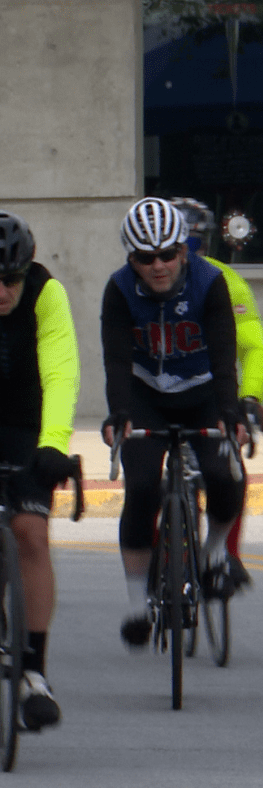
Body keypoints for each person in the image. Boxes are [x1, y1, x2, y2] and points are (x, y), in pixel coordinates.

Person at [101, 197, 249, 648]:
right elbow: (117, 360)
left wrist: (230, 412)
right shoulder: (120, 289)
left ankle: (215, 550)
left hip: (203, 392)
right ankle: (135, 604)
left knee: (226, 474)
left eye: (169, 254)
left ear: (185, 250)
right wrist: (119, 415)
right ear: (132, 259)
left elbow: (225, 354)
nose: (159, 266)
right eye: (146, 258)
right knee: (142, 487)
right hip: (146, 396)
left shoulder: (211, 283)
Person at [0, 211, 79, 730]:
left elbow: (60, 369)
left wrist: (54, 444)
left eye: (10, 279)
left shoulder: (46, 293)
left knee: (31, 534)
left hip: (27, 425)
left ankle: (34, 672)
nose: (3, 291)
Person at [170, 197, 263, 590]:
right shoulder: (141, 281)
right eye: (184, 243)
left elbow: (253, 346)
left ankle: (225, 554)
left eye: (198, 243)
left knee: (230, 472)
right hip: (158, 393)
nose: (191, 253)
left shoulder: (226, 281)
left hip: (212, 394)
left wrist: (250, 398)